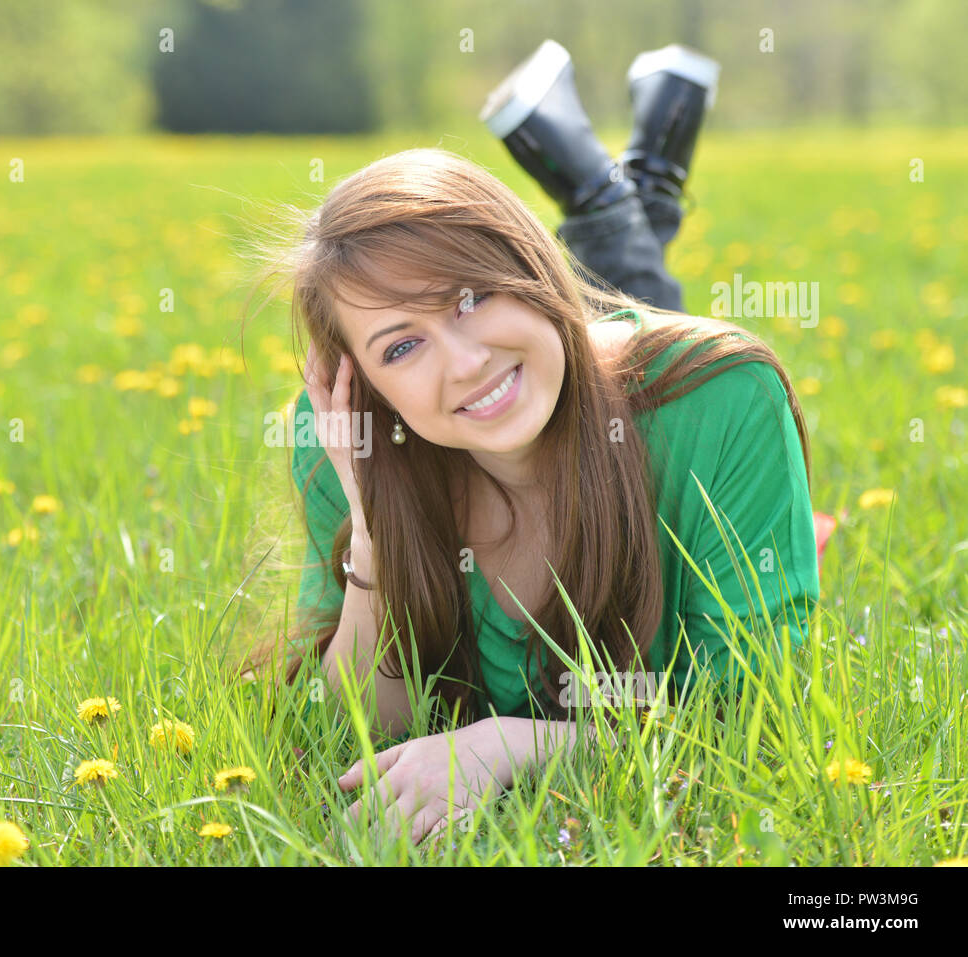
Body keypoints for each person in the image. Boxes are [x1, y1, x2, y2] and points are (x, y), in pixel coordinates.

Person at [239, 41, 819, 848]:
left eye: (471, 297)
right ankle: (632, 195)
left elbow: (748, 724)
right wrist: (373, 535)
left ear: (534, 265)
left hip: (630, 390)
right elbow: (356, 733)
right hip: (563, 369)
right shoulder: (348, 437)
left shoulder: (721, 400)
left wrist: (516, 741)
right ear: (365, 383)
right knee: (545, 367)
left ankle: (608, 202)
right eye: (400, 346)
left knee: (608, 375)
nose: (464, 360)